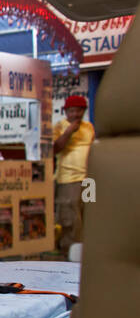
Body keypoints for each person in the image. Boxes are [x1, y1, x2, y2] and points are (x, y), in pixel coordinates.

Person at [52, 93, 94, 255]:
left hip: (90, 180)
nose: (75, 114)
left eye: (79, 111)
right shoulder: (59, 126)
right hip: (69, 180)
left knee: (89, 213)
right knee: (70, 216)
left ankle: (87, 250)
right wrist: (68, 132)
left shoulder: (89, 127)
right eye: (72, 111)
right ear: (66, 112)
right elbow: (55, 149)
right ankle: (69, 251)